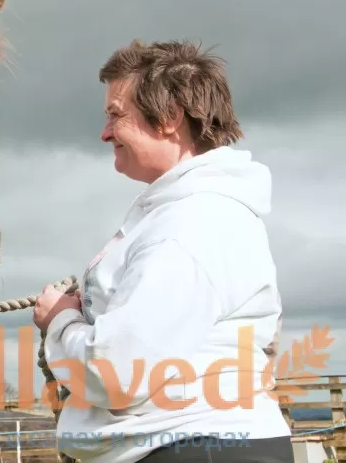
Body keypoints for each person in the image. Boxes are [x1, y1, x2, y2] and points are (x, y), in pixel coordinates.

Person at [32, 40, 291, 462]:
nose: (104, 133)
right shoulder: (188, 213)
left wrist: (60, 319)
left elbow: (116, 373)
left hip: (192, 447)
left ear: (170, 118)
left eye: (116, 115)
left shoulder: (191, 225)